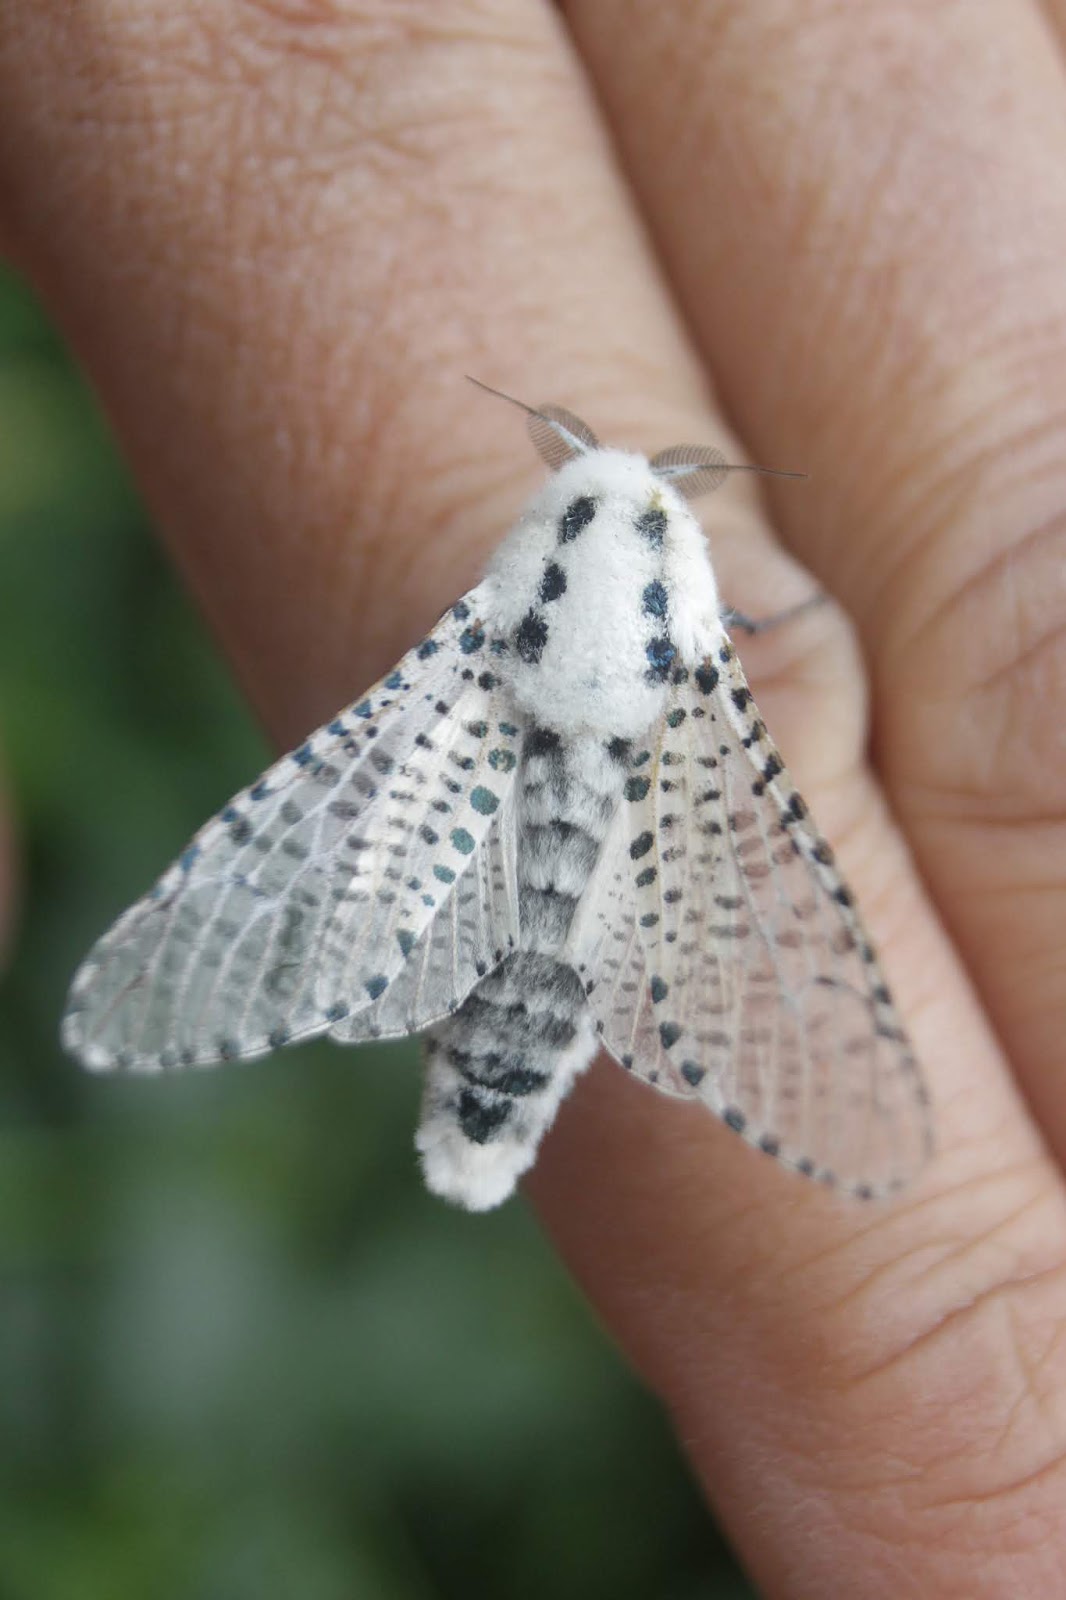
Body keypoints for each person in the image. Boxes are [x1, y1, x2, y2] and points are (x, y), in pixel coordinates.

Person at [1, 5, 1064, 1593]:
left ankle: (473, 1100)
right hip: (611, 863)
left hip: (511, 839)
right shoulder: (695, 648)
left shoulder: (494, 620)